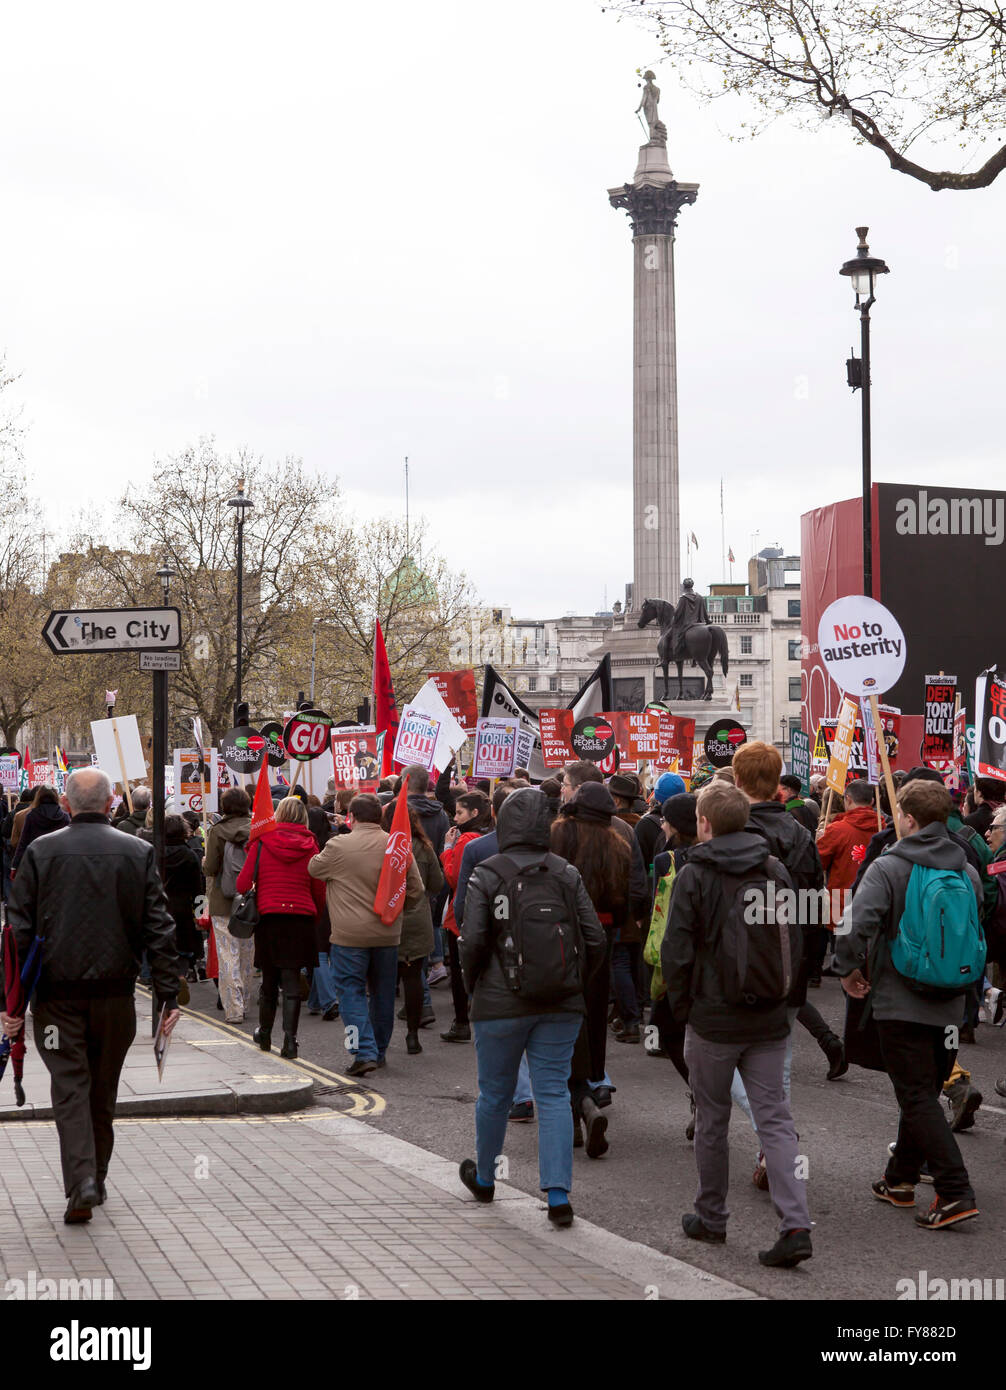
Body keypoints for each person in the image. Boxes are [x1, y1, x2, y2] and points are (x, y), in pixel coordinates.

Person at [0, 768, 179, 1224]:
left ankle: (84, 1181)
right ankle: (92, 1177)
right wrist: (167, 995)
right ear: (109, 803)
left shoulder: (41, 851)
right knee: (103, 1090)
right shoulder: (138, 852)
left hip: (57, 998)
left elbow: (17, 931)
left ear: (67, 803)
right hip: (118, 997)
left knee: (70, 1087)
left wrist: (10, 1003)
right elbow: (159, 927)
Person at [662, 778, 812, 1268]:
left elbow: (677, 949)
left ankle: (711, 1217)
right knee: (776, 1119)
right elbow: (796, 936)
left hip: (713, 1017)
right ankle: (794, 1224)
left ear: (703, 822)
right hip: (769, 1014)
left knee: (712, 1119)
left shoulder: (694, 872)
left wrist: (683, 1008)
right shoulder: (776, 868)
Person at [835, 778, 982, 1230]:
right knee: (922, 1089)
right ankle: (899, 1179)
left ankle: (955, 1190)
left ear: (909, 819)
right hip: (952, 1001)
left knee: (916, 1095)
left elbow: (855, 925)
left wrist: (848, 969)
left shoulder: (889, 866)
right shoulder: (967, 869)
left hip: (900, 999)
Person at [457, 788, 606, 1227]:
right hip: (561, 1002)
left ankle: (486, 1179)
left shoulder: (487, 872)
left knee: (496, 1093)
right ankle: (558, 1195)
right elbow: (595, 938)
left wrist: (475, 986)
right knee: (554, 1093)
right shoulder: (565, 872)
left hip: (500, 1003)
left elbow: (473, 940)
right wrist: (575, 983)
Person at [731, 740, 845, 1180]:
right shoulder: (800, 833)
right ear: (776, 781)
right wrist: (808, 967)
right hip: (788, 961)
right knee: (776, 1067)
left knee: (714, 1062)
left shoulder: (732, 830)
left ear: (739, 780)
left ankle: (774, 1138)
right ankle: (773, 1144)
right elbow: (814, 908)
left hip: (738, 967)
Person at [551, 783, 648, 1153]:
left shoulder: (558, 834)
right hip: (603, 933)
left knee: (560, 1015)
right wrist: (618, 924)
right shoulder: (618, 840)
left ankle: (575, 1110)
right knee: (591, 1011)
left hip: (560, 932)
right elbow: (635, 891)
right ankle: (588, 1089)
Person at [309, 793, 424, 1076]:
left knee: (350, 994)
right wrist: (395, 908)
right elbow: (416, 889)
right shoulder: (397, 846)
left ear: (352, 817)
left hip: (349, 935)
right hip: (387, 932)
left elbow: (313, 868)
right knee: (383, 994)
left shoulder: (338, 845)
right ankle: (379, 1051)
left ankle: (362, 1050)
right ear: (380, 817)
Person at [237, 797, 326, 1060]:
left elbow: (242, 885)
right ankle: (290, 1040)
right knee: (292, 983)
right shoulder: (311, 846)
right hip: (300, 918)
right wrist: (315, 917)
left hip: (270, 917)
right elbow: (318, 888)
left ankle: (264, 1033)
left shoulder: (262, 843)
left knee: (269, 981)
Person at [385, 801, 444, 1054]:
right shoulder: (423, 847)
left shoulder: (381, 846)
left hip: (386, 918)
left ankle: (381, 1037)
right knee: (413, 979)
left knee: (384, 982)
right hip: (417, 918)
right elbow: (437, 883)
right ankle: (412, 1035)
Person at [439, 792, 491, 1044]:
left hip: (462, 911)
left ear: (474, 813)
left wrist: (447, 849)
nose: (455, 818)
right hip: (485, 909)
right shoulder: (489, 837)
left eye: (459, 812)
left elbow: (453, 876)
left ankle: (461, 1023)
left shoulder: (467, 839)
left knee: (460, 973)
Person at [202, 787, 253, 1024]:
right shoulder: (257, 828)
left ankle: (234, 1009)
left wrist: (205, 862)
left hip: (223, 899)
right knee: (246, 955)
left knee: (227, 955)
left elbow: (211, 867)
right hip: (251, 899)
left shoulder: (218, 830)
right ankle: (246, 1002)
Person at [162, 813, 205, 981]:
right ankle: (185, 972)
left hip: (161, 907)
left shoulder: (156, 853)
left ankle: (167, 978)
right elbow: (197, 888)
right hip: (184, 908)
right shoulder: (189, 855)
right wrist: (201, 913)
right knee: (185, 945)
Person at [11, 786, 70, 874]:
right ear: (56, 797)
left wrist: (15, 866)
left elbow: (23, 842)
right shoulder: (64, 817)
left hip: (36, 861)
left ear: (38, 797)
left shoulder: (31, 816)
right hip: (58, 862)